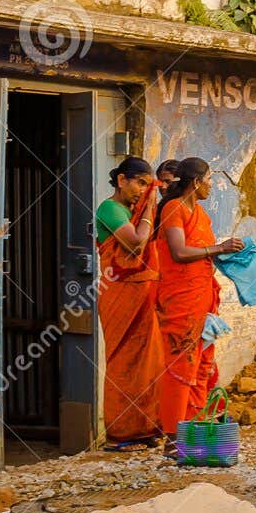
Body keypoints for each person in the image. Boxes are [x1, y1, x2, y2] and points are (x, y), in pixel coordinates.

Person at [154, 157, 245, 445]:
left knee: (201, 363)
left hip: (201, 295)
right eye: (208, 181)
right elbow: (180, 252)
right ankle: (173, 436)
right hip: (180, 298)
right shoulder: (173, 209)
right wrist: (218, 247)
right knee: (181, 363)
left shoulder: (201, 214)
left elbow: (204, 252)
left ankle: (195, 428)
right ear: (195, 183)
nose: (211, 187)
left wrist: (234, 253)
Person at [95, 157, 164, 444]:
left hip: (143, 292)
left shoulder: (132, 210)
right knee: (124, 363)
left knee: (149, 362)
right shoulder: (110, 209)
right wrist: (148, 210)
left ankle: (147, 427)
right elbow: (135, 241)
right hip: (120, 292)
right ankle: (122, 431)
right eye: (140, 183)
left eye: (148, 186)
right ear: (122, 180)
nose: (143, 191)